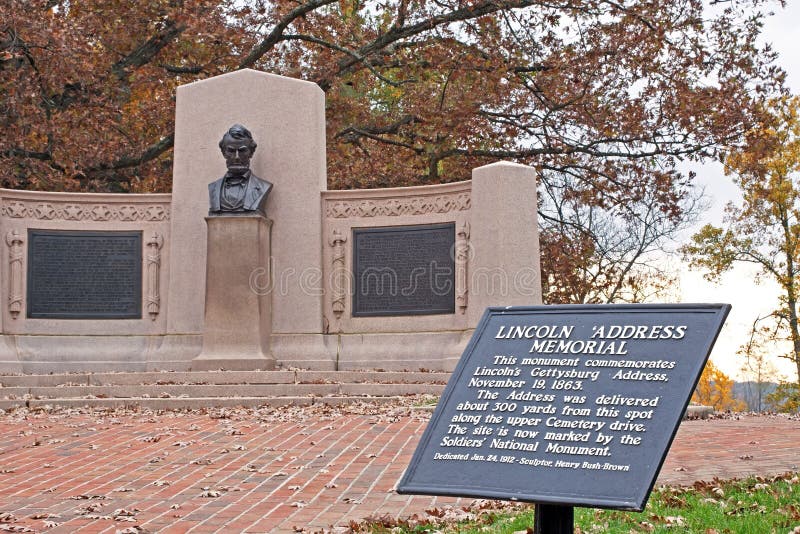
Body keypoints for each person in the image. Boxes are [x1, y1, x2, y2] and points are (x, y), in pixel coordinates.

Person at [208, 124, 272, 216]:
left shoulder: (263, 187)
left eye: (242, 151)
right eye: (231, 151)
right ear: (223, 153)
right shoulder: (213, 188)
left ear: (251, 152)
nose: (237, 157)